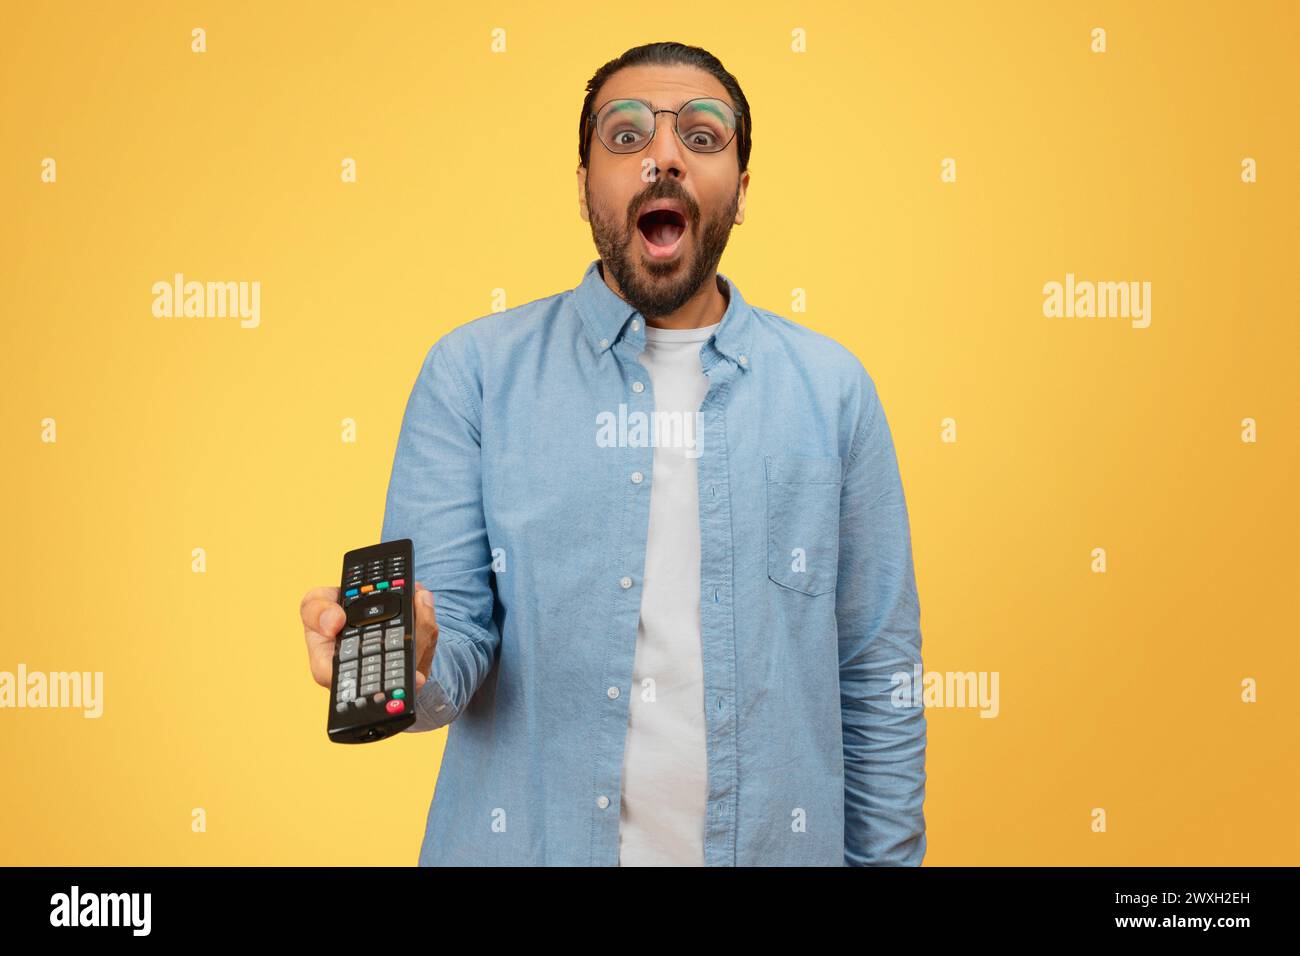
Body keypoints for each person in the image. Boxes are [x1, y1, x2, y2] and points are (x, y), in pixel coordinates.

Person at [300, 41, 927, 866]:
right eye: (625, 136)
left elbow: (877, 679)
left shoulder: (832, 390)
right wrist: (413, 661)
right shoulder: (474, 374)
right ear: (586, 185)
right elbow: (451, 652)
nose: (663, 156)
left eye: (702, 137)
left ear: (739, 193)